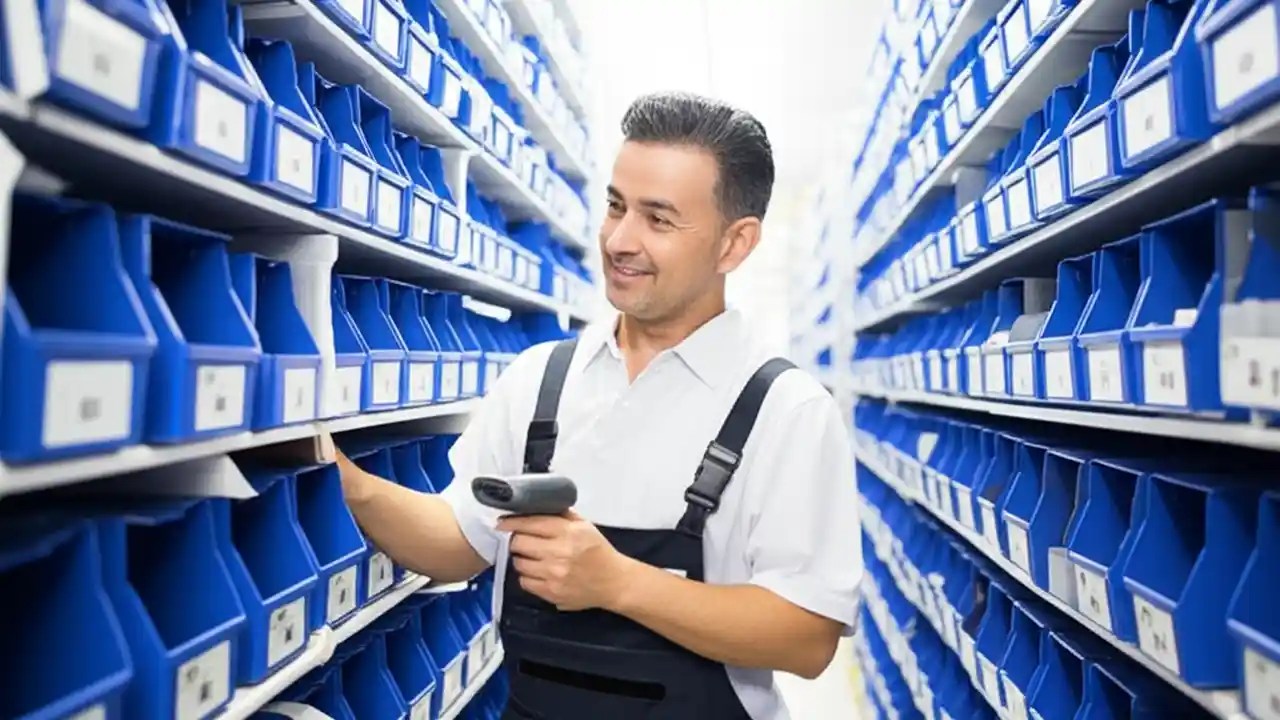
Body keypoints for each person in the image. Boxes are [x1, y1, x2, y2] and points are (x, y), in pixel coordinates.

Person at [333, 91, 861, 719]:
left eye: (658, 219)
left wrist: (617, 584)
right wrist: (343, 482)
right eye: (616, 206)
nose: (619, 239)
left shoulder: (787, 411)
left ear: (734, 244)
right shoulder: (540, 380)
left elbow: (805, 637)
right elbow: (459, 543)